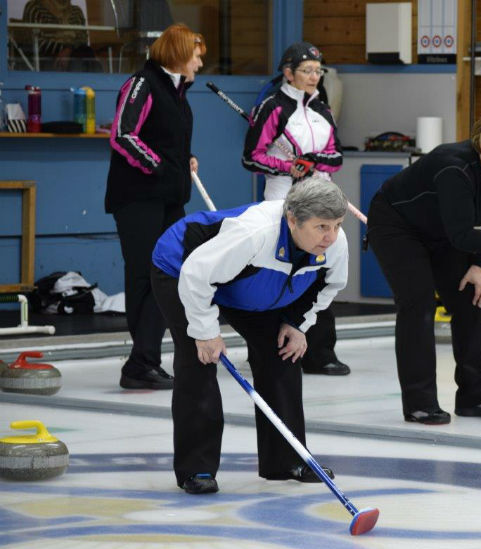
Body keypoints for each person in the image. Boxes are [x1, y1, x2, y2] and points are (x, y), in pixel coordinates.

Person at [150, 178, 349, 494]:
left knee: (282, 354)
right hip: (183, 269)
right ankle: (197, 469)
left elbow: (329, 285)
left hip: (245, 284)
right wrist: (205, 332)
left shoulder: (334, 244)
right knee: (199, 359)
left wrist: (298, 325)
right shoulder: (255, 233)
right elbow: (197, 275)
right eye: (322, 226)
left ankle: (288, 460)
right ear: (292, 219)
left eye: (337, 225)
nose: (331, 236)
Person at [366, 111, 481, 425]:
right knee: (418, 304)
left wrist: (477, 266)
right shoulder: (454, 167)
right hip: (398, 227)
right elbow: (464, 235)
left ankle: (475, 395)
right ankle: (420, 403)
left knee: (473, 297)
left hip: (445, 233)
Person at [104, 23, 205, 390]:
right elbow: (123, 135)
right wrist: (159, 166)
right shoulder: (142, 83)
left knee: (169, 274)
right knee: (146, 277)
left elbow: (165, 138)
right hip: (138, 198)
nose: (199, 62)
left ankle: (144, 360)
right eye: (196, 54)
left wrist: (183, 158)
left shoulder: (178, 91)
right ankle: (141, 363)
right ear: (179, 54)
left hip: (168, 197)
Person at [242, 41, 350, 377]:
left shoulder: (322, 108)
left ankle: (321, 351)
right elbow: (252, 157)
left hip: (322, 199)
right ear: (288, 73)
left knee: (321, 271)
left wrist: (314, 161)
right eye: (307, 70)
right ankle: (272, 348)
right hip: (283, 200)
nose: (314, 76)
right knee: (282, 272)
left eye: (318, 71)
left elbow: (336, 154)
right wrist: (286, 167)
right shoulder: (273, 107)